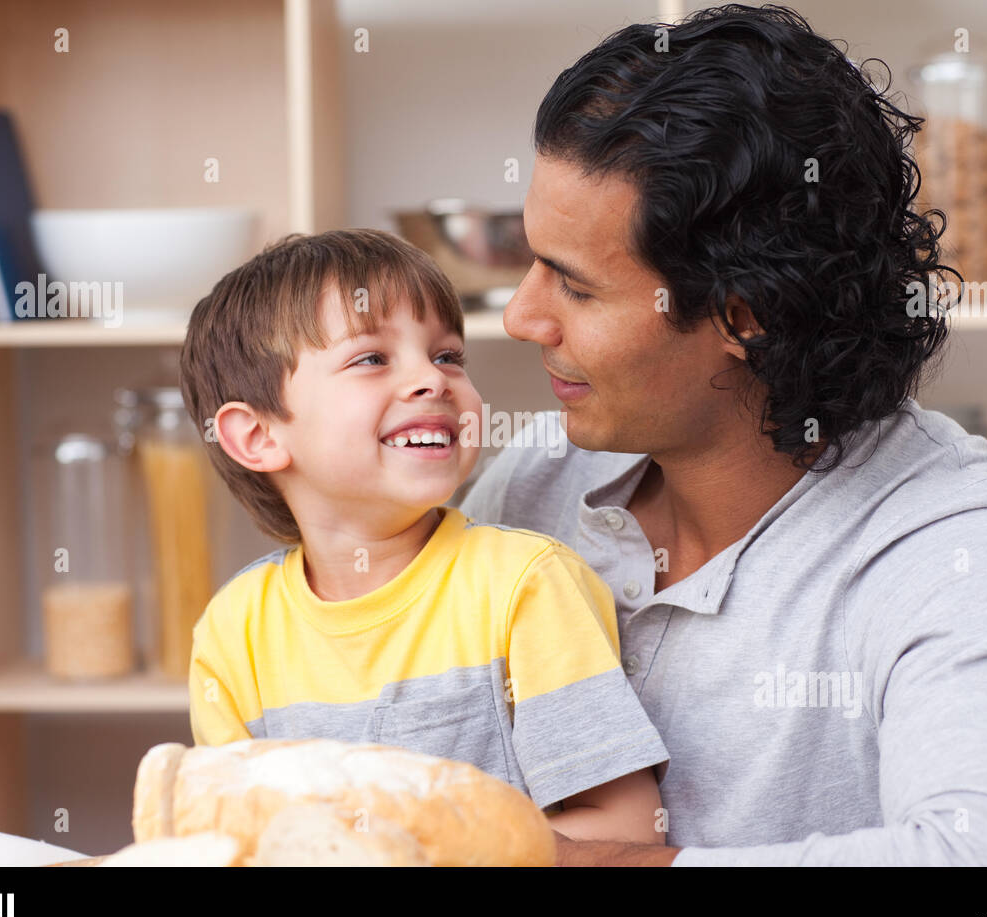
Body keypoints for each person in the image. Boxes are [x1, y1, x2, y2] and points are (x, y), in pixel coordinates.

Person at [456, 3, 987, 865]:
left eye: (573, 287)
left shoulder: (965, 551)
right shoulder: (534, 481)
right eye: (531, 263)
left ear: (743, 315)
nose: (521, 315)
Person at [179, 227, 669, 844]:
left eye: (447, 356)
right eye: (372, 359)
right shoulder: (233, 633)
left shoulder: (524, 584)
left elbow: (628, 830)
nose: (433, 381)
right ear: (258, 437)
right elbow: (233, 843)